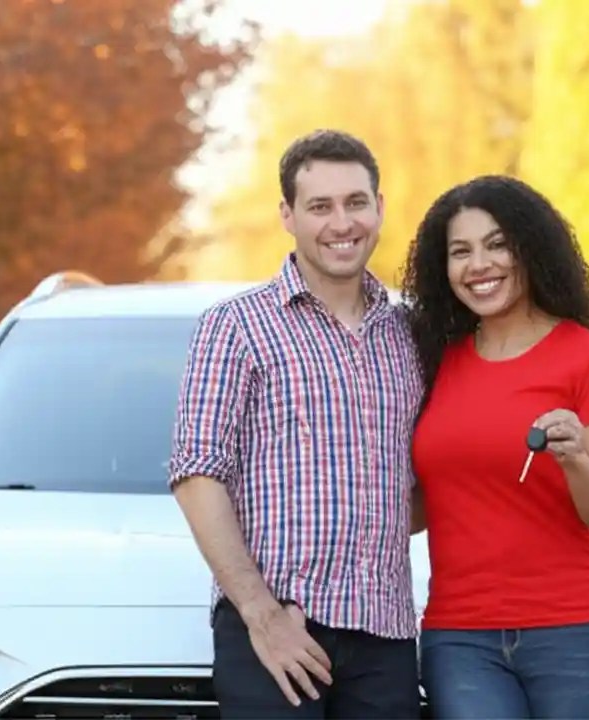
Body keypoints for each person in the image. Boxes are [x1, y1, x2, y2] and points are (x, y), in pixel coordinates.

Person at [168, 129, 424, 719]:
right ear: (288, 215)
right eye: (320, 206)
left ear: (380, 207)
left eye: (356, 202)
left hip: (384, 634)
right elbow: (197, 475)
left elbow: (427, 479)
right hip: (279, 626)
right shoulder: (234, 327)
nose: (342, 223)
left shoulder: (410, 334)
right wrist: (261, 616)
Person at [401, 175, 589, 720]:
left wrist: (576, 459)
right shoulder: (434, 363)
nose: (479, 264)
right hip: (460, 635)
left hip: (573, 632)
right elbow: (420, 507)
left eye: (497, 243)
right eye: (460, 251)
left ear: (530, 249)